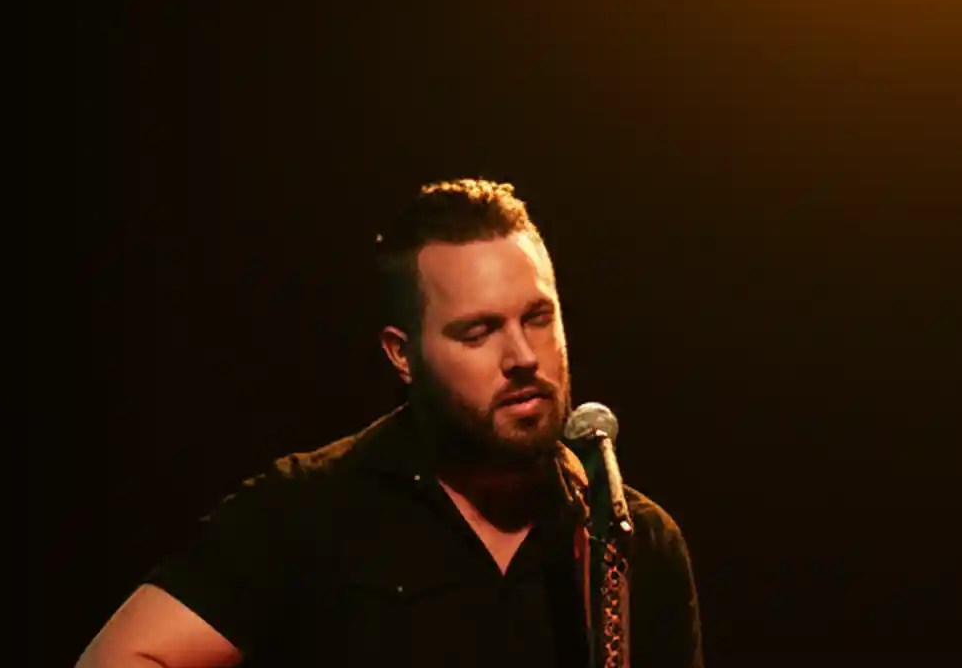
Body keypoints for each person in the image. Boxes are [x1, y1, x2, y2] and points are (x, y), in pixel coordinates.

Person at [76, 179, 704, 667]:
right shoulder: (307, 511)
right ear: (402, 355)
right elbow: (125, 655)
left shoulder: (636, 543)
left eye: (537, 318)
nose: (522, 356)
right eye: (478, 331)